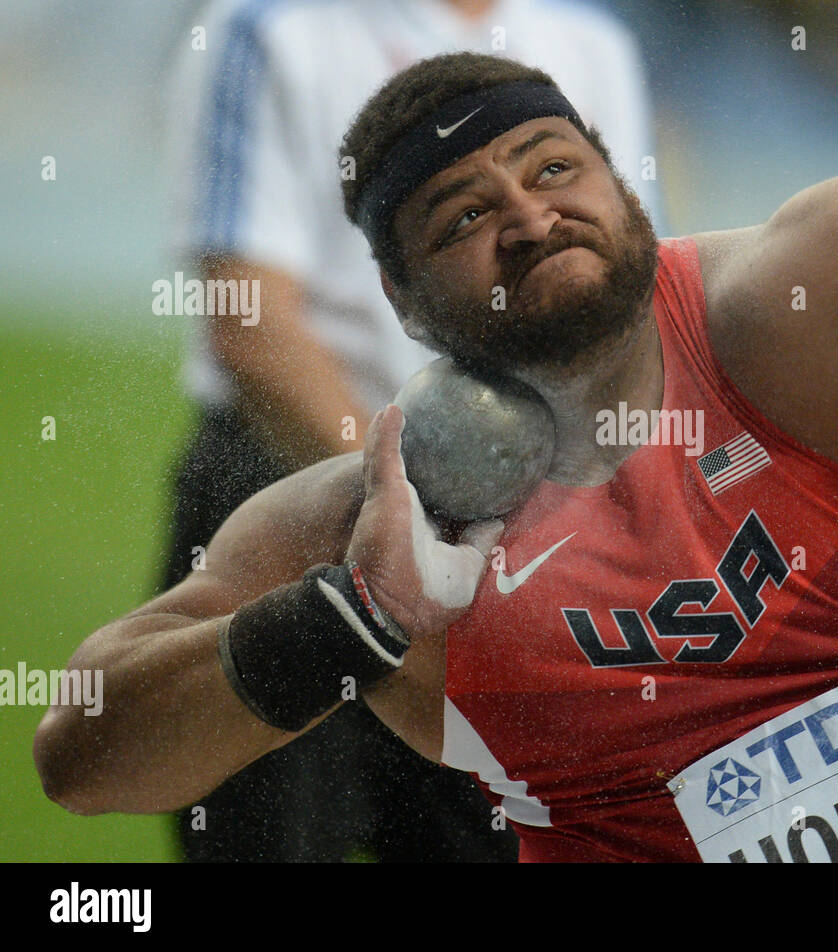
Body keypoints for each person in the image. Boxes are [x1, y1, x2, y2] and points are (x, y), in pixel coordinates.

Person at [37, 26, 838, 861]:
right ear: (405, 304)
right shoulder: (367, 524)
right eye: (462, 215)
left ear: (621, 184)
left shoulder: (792, 310)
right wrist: (352, 618)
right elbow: (84, 752)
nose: (524, 214)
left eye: (553, 167)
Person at [161, 0, 663, 861]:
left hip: (523, 519)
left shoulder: (591, 44)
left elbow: (622, 294)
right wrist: (400, 505)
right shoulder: (273, 30)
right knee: (270, 841)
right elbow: (250, 323)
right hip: (296, 490)